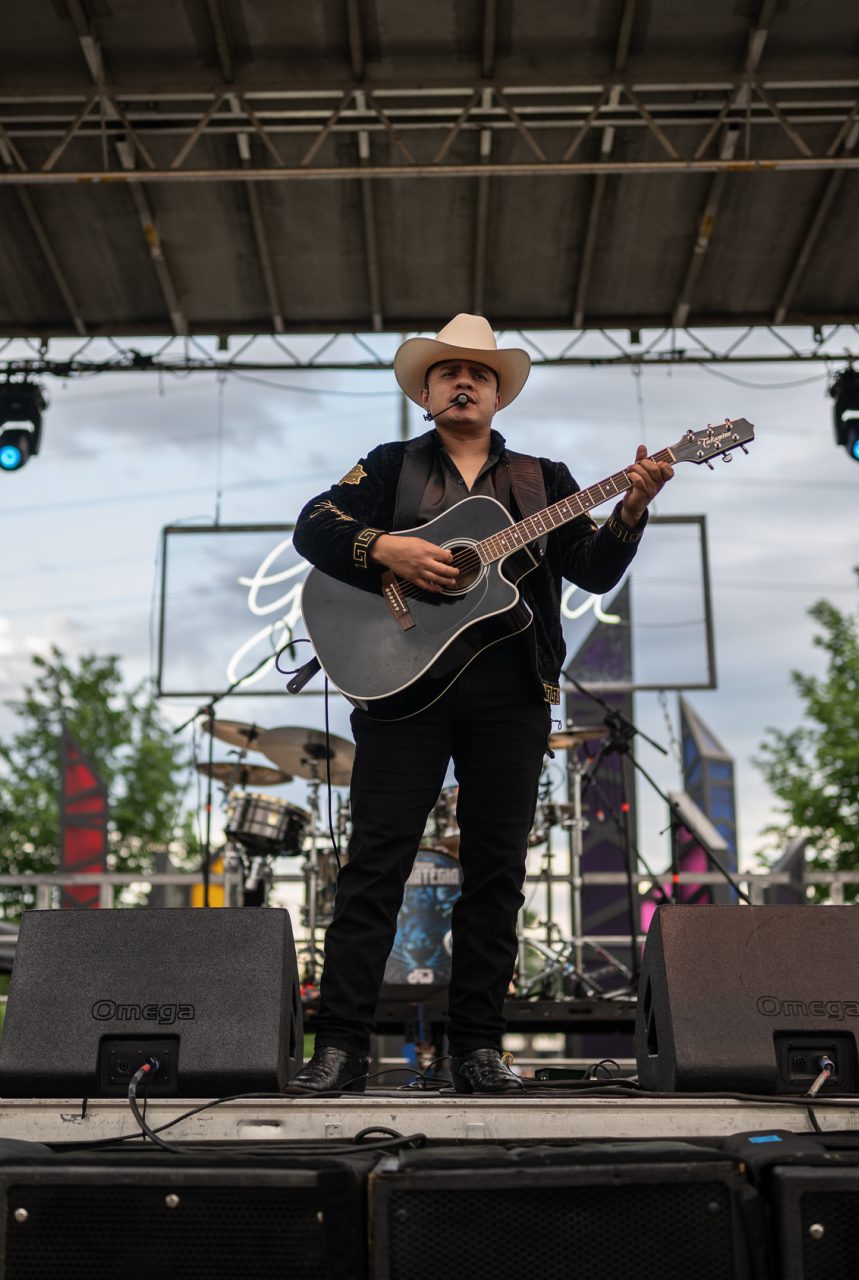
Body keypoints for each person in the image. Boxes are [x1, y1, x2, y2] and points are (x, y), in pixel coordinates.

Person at [288, 314, 673, 1094]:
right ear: (426, 392)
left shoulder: (545, 481)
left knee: (497, 874)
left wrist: (631, 510)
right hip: (401, 692)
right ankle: (339, 1050)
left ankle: (477, 1049)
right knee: (373, 869)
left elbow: (592, 571)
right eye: (449, 372)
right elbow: (314, 526)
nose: (465, 381)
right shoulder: (389, 467)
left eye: (481, 373)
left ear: (498, 395)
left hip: (511, 699)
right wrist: (386, 548)